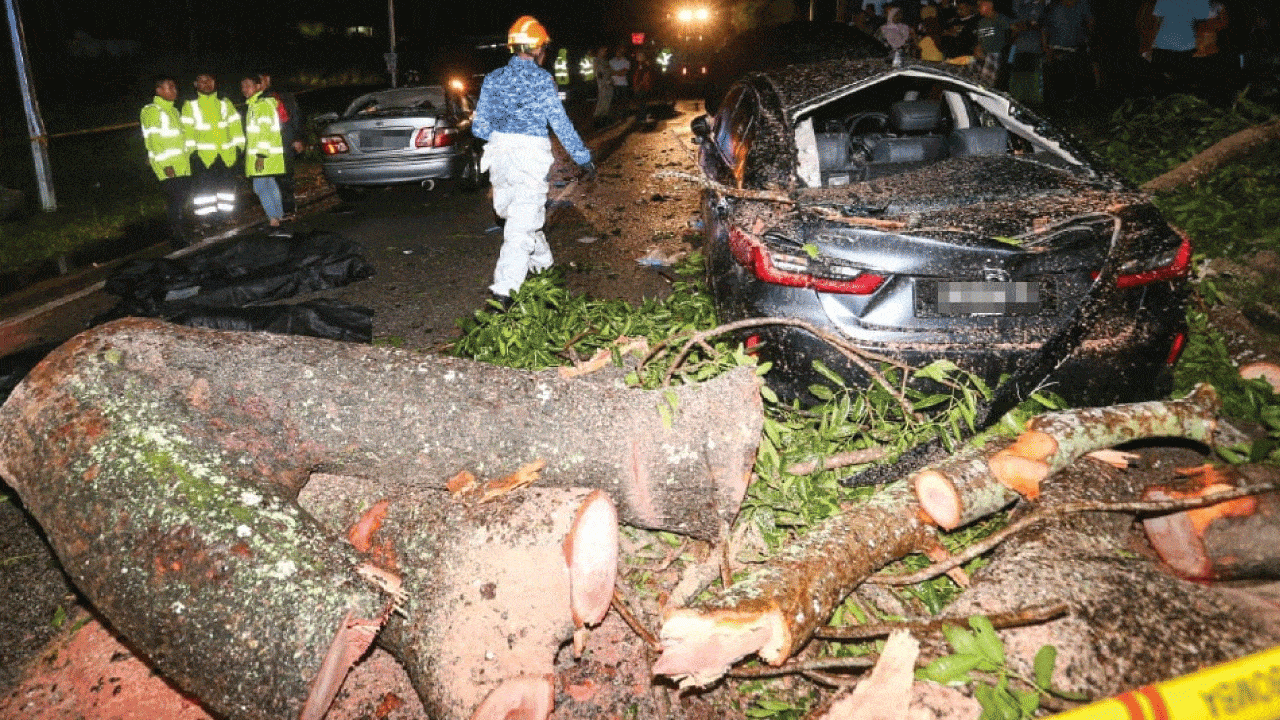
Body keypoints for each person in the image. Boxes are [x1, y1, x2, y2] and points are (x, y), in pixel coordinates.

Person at [472, 15, 594, 306]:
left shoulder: (493, 79)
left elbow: (479, 128)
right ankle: (504, 291)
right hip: (529, 156)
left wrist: (503, 134)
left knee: (518, 218)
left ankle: (544, 268)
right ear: (539, 49)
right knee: (520, 225)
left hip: (498, 154)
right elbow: (560, 123)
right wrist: (583, 157)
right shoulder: (543, 80)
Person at [181, 72, 243, 231]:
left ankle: (225, 217)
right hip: (203, 156)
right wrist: (192, 153)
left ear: (215, 82)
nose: (206, 83)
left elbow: (235, 125)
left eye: (209, 80)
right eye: (201, 81)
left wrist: (239, 147)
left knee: (227, 190)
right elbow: (187, 131)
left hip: (226, 155)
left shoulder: (225, 102)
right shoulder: (190, 105)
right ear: (196, 85)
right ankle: (206, 221)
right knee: (204, 193)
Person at [140, 75, 194, 247]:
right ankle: (177, 239)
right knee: (175, 202)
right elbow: (154, 141)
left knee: (180, 201)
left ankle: (180, 234)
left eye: (175, 87)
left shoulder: (173, 111)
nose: (175, 91)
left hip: (181, 165)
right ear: (159, 90)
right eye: (170, 87)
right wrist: (166, 166)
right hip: (169, 167)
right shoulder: (152, 111)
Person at [239, 74, 286, 229]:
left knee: (259, 188)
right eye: (243, 86)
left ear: (258, 87)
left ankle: (273, 218)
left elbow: (264, 131)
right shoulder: (256, 104)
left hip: (263, 156)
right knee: (270, 184)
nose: (244, 89)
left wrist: (261, 155)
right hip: (267, 155)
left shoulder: (261, 105)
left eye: (248, 85)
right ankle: (278, 216)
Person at [255, 69, 303, 217]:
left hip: (283, 143)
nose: (259, 85)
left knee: (284, 178)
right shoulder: (254, 99)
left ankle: (288, 209)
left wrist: (297, 139)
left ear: (268, 79)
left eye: (261, 80)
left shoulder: (280, 96)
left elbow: (293, 117)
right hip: (266, 146)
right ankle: (276, 213)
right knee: (270, 181)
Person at [1043, 0, 1094, 104]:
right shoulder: (1053, 7)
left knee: (1077, 80)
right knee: (1058, 80)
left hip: (1077, 48)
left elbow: (1090, 23)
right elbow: (1045, 27)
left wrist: (1089, 41)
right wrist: (1046, 47)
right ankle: (1057, 104)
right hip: (1057, 48)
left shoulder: (1082, 5)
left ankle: (1076, 103)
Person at [974, 0, 1013, 87]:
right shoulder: (981, 22)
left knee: (988, 85)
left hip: (995, 56)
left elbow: (1011, 36)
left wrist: (1008, 57)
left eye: (981, 4)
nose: (978, 7)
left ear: (989, 5)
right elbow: (980, 39)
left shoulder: (1001, 19)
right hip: (982, 57)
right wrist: (978, 48)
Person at [592, 45, 613, 127]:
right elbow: (596, 72)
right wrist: (601, 82)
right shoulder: (596, 60)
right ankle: (597, 119)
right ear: (599, 51)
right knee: (602, 100)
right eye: (603, 50)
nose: (604, 52)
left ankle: (604, 117)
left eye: (605, 50)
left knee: (608, 99)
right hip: (601, 83)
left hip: (608, 83)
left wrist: (610, 80)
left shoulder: (605, 61)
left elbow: (609, 71)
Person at [609, 45, 632, 115]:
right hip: (614, 83)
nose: (618, 53)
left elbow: (624, 73)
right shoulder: (611, 61)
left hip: (623, 84)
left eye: (620, 51)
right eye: (618, 51)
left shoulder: (626, 61)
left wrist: (615, 72)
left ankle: (624, 114)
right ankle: (616, 114)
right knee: (616, 100)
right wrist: (618, 72)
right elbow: (610, 72)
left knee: (623, 100)